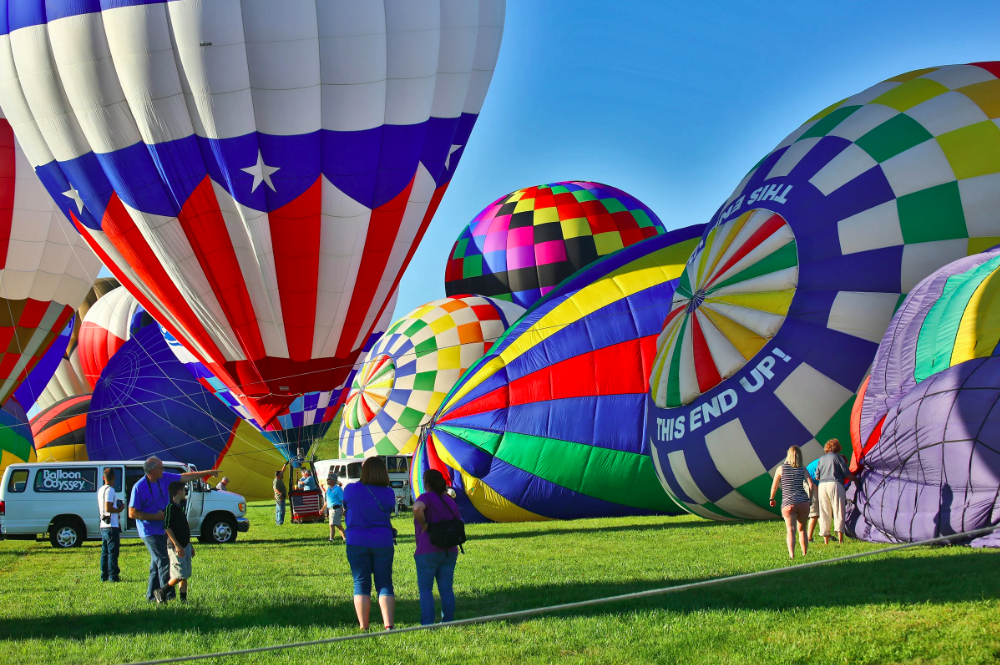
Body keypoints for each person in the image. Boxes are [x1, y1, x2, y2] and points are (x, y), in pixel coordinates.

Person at [129, 457, 218, 603]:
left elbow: (184, 477)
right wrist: (154, 516)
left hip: (164, 528)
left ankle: (151, 596)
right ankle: (167, 596)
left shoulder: (164, 478)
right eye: (161, 468)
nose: (164, 471)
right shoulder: (139, 487)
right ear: (152, 471)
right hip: (149, 530)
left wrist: (206, 472)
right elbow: (132, 513)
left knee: (155, 564)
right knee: (163, 560)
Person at [343, 457, 396, 631]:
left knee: (360, 583)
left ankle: (364, 626)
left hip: (356, 541)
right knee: (384, 583)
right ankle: (388, 625)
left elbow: (346, 507)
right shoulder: (389, 492)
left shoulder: (350, 489)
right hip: (383, 541)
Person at [412, 469, 461, 625]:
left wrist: (424, 524)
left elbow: (417, 508)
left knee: (426, 589)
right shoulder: (450, 501)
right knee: (446, 589)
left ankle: (427, 623)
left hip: (428, 549)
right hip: (450, 550)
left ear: (426, 483)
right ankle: (448, 621)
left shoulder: (426, 497)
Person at [769, 445, 815, 560]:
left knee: (790, 530)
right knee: (802, 529)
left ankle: (792, 555)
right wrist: (810, 498)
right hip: (803, 501)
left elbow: (774, 487)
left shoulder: (781, 469)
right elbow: (811, 484)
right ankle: (804, 553)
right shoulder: (802, 468)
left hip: (788, 502)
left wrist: (772, 498)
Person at [156, 482, 195, 604]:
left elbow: (183, 527)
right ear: (178, 492)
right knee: (180, 575)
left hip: (185, 544)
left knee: (185, 574)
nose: (185, 492)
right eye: (184, 490)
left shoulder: (181, 507)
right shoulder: (170, 508)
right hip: (175, 546)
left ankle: (184, 601)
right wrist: (177, 545)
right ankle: (162, 591)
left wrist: (189, 544)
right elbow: (167, 527)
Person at [815, 439, 856, 544]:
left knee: (824, 511)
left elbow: (817, 476)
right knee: (838, 510)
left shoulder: (821, 459)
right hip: (835, 484)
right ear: (838, 448)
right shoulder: (838, 458)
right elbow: (847, 474)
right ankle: (840, 538)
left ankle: (825, 539)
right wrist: (856, 479)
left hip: (822, 486)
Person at [98, 467, 125, 582]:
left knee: (105, 552)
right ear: (114, 477)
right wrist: (119, 510)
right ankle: (113, 576)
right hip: (111, 525)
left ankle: (104, 575)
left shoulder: (101, 490)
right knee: (113, 552)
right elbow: (108, 507)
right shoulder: (110, 490)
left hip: (103, 525)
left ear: (103, 478)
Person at [325, 473, 345, 543]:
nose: (327, 480)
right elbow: (328, 500)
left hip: (336, 509)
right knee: (338, 525)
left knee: (332, 524)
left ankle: (331, 539)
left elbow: (343, 500)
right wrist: (322, 509)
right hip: (330, 509)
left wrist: (344, 509)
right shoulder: (328, 490)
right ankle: (345, 538)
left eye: (329, 479)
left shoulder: (338, 489)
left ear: (333, 480)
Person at [806, 457, 820, 542]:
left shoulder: (824, 460)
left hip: (812, 484)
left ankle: (825, 533)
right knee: (814, 513)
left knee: (819, 511)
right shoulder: (828, 463)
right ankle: (809, 537)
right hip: (810, 484)